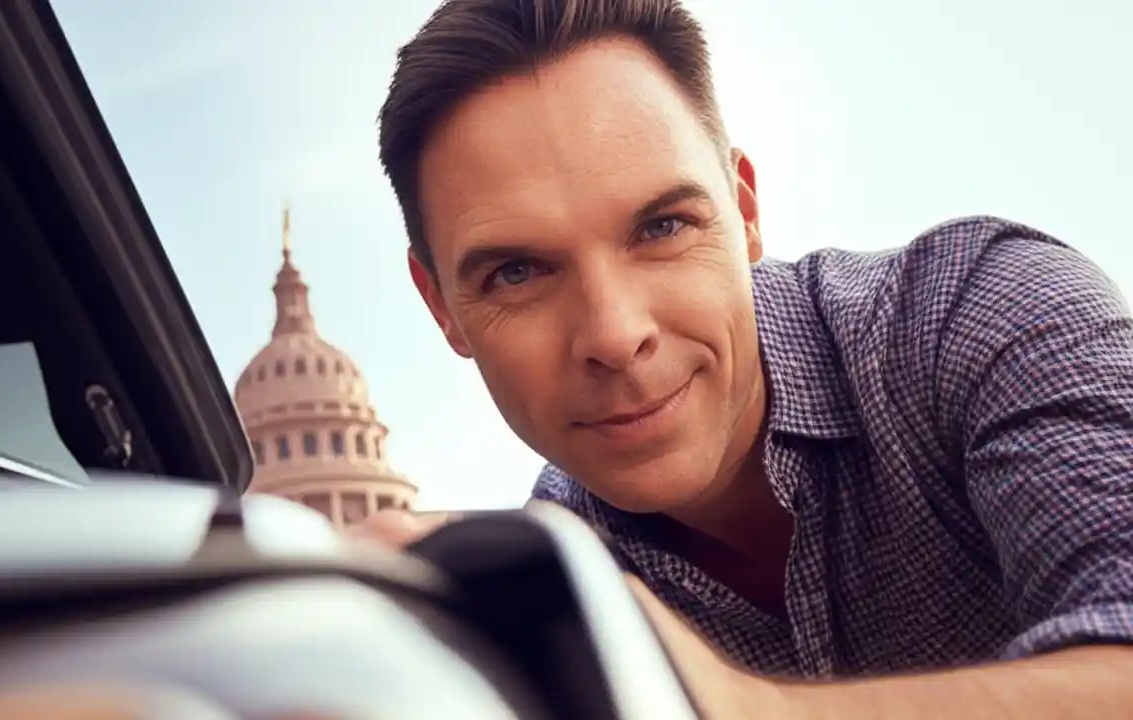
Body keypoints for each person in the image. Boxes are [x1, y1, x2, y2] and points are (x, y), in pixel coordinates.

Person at [360, 0, 1133, 716]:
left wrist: (720, 702)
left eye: (662, 227)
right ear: (442, 308)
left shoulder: (981, 310)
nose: (615, 334)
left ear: (744, 210)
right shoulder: (544, 589)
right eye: (518, 273)